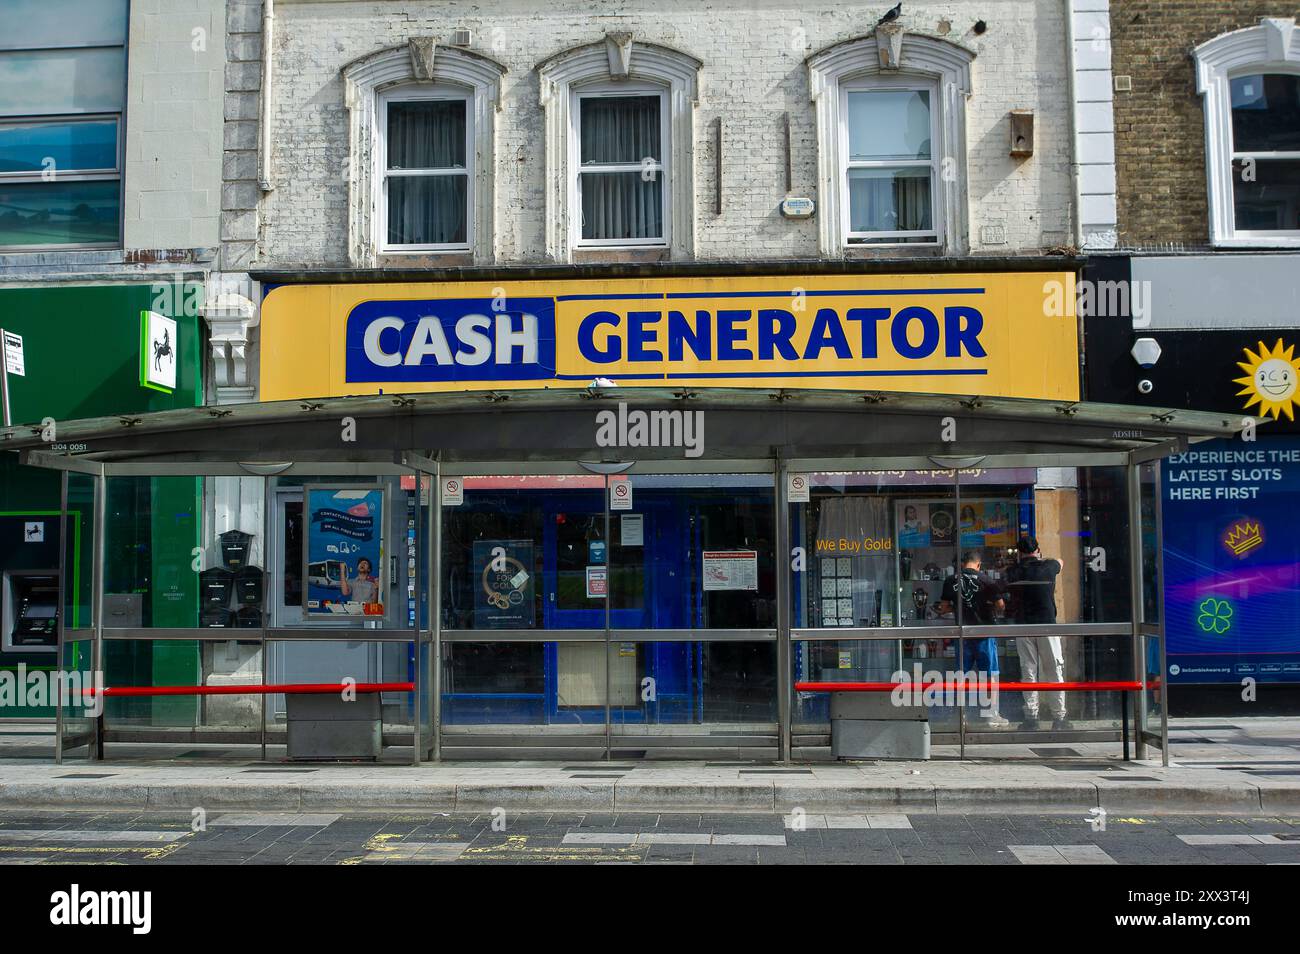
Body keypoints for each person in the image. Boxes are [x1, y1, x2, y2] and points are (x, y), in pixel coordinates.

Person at [1005, 534, 1068, 731]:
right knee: (1054, 670)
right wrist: (1042, 558)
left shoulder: (1013, 571)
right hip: (1047, 625)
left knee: (1028, 671)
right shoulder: (1048, 567)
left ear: (1019, 553)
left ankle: (1031, 718)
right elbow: (1061, 561)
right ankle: (1059, 718)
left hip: (1023, 625)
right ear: (1037, 550)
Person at [937, 550, 1007, 726]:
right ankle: (991, 715)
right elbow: (1001, 606)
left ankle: (958, 716)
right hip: (984, 633)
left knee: (960, 675)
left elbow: (943, 608)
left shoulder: (950, 580)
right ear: (978, 564)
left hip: (963, 635)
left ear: (962, 564)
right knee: (989, 675)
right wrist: (989, 607)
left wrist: (957, 608)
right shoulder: (987, 581)